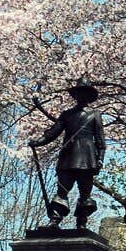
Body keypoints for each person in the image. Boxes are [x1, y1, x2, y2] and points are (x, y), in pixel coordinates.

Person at [30, 81, 105, 229]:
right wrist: (38, 142)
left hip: (88, 157)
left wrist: (100, 158)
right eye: (78, 92)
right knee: (62, 189)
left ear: (89, 96)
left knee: (85, 192)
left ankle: (82, 222)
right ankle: (55, 220)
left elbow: (100, 139)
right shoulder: (67, 114)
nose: (81, 95)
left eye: (84, 92)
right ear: (75, 95)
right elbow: (53, 132)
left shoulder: (95, 114)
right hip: (68, 156)